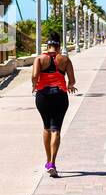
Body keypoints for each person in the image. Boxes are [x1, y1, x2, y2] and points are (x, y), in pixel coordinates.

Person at [31, 34, 77, 177]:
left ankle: (47, 160)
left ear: (47, 45)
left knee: (46, 127)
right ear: (59, 45)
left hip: (43, 96)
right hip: (60, 95)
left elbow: (34, 76)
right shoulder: (64, 59)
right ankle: (52, 163)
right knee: (55, 128)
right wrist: (69, 85)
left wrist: (34, 85)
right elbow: (72, 80)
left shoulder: (39, 59)